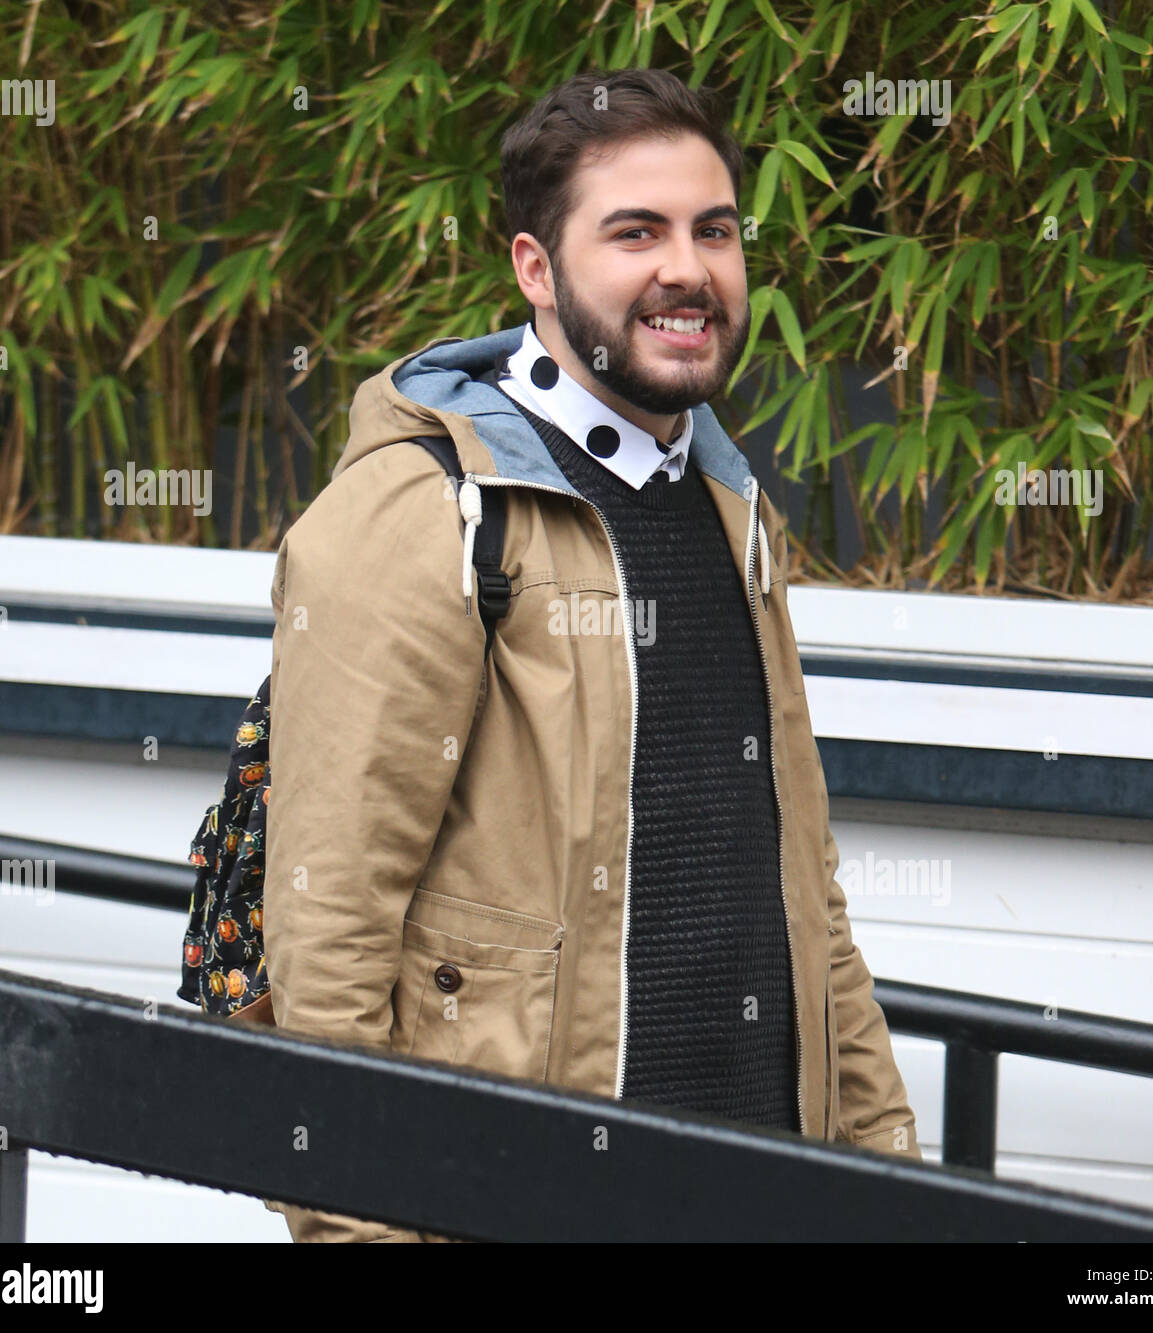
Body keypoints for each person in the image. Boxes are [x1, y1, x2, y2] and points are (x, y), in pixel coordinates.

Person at [265, 66, 920, 1243]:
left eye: (713, 230)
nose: (688, 269)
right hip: (528, 1194)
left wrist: (890, 1184)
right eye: (635, 232)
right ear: (535, 267)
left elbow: (808, 902)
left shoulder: (729, 506)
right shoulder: (432, 510)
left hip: (759, 1192)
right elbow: (332, 930)